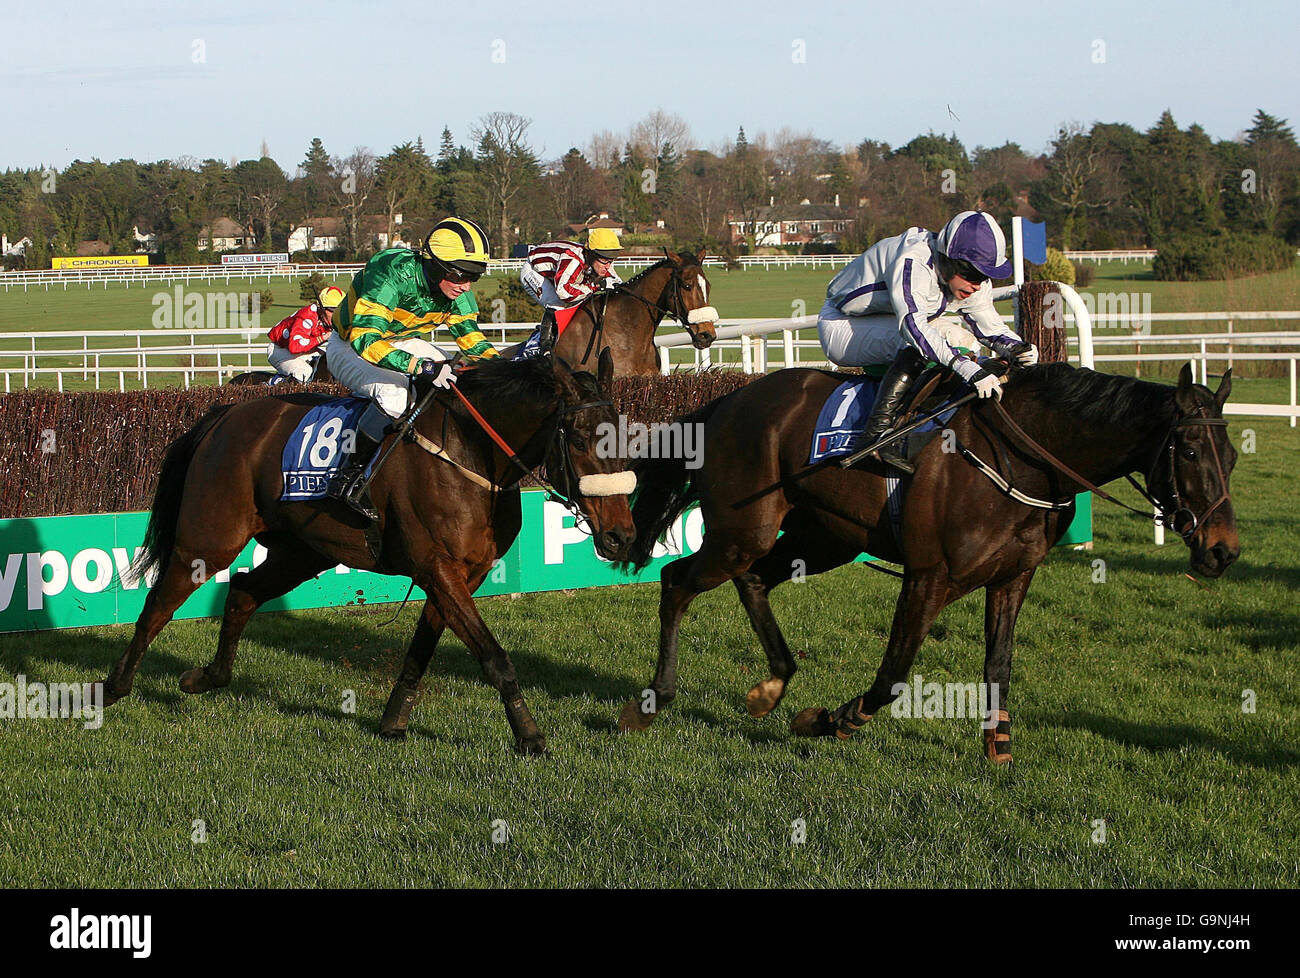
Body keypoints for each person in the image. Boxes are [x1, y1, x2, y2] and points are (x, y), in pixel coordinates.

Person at [817, 210, 1039, 473]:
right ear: (947, 259)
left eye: (983, 276)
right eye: (970, 273)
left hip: (884, 320)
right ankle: (875, 438)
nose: (977, 284)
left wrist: (1017, 348)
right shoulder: (915, 260)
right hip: (842, 326)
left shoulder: (964, 278)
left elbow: (990, 328)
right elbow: (913, 327)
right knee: (924, 343)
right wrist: (967, 367)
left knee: (963, 340)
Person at [325, 216, 499, 519]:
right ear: (435, 264)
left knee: (455, 377)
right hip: (349, 345)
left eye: (474, 276)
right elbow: (365, 340)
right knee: (395, 396)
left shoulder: (456, 290)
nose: (466, 286)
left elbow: (473, 344)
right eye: (460, 275)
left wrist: (509, 369)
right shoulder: (391, 271)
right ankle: (348, 478)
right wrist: (422, 367)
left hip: (400, 341)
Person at [520, 227, 623, 350]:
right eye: (604, 260)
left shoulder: (598, 261)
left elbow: (618, 284)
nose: (608, 266)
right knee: (556, 303)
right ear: (591, 254)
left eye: (611, 261)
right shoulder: (572, 259)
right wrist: (595, 287)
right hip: (533, 270)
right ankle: (544, 349)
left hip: (556, 274)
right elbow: (564, 292)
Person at [265, 286, 344, 383]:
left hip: (306, 350)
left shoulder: (330, 319)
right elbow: (295, 347)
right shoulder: (306, 316)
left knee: (330, 363)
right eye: (333, 310)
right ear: (321, 308)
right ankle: (271, 385)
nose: (337, 315)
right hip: (281, 350)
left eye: (340, 311)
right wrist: (324, 337)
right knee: (304, 372)